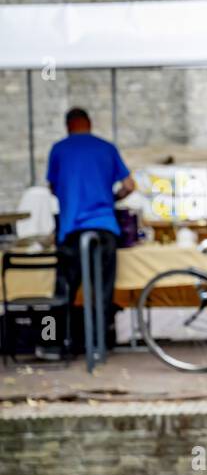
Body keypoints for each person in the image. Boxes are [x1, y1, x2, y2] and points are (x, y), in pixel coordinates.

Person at [45, 108, 135, 359]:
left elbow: (52, 186)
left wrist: (70, 194)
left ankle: (54, 343)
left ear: (68, 126)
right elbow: (129, 185)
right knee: (102, 290)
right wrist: (111, 198)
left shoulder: (59, 149)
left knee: (63, 291)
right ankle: (99, 345)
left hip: (72, 228)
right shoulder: (106, 148)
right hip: (104, 227)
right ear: (89, 123)